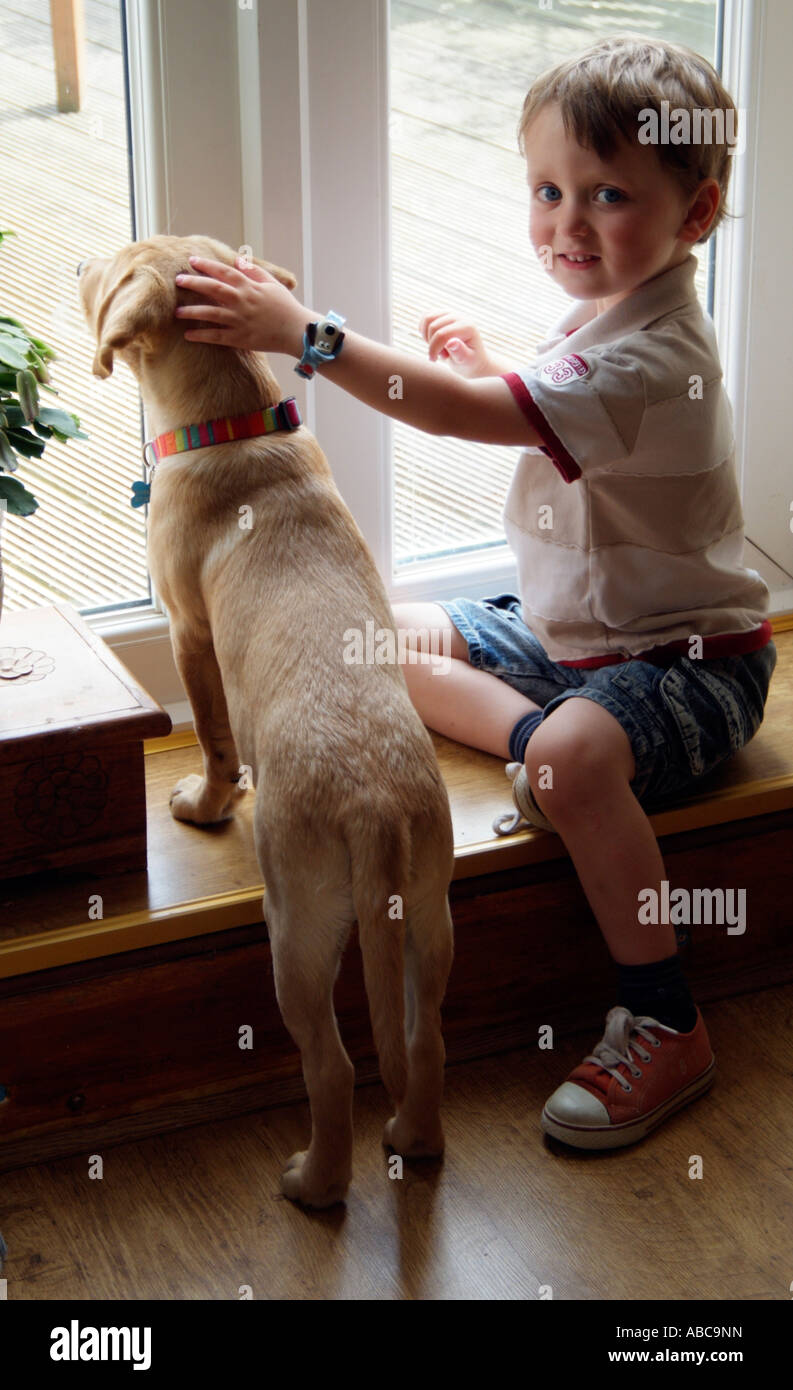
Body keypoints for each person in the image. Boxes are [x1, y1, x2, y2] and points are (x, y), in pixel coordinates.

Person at [173, 35, 777, 1150]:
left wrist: (299, 335)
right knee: (366, 638)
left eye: (608, 196)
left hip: (691, 662)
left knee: (572, 761)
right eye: (547, 191)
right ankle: (541, 741)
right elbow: (544, 404)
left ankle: (665, 1018)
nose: (566, 224)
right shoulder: (616, 318)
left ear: (695, 217)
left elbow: (457, 410)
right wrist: (497, 362)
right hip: (568, 635)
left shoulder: (651, 353)